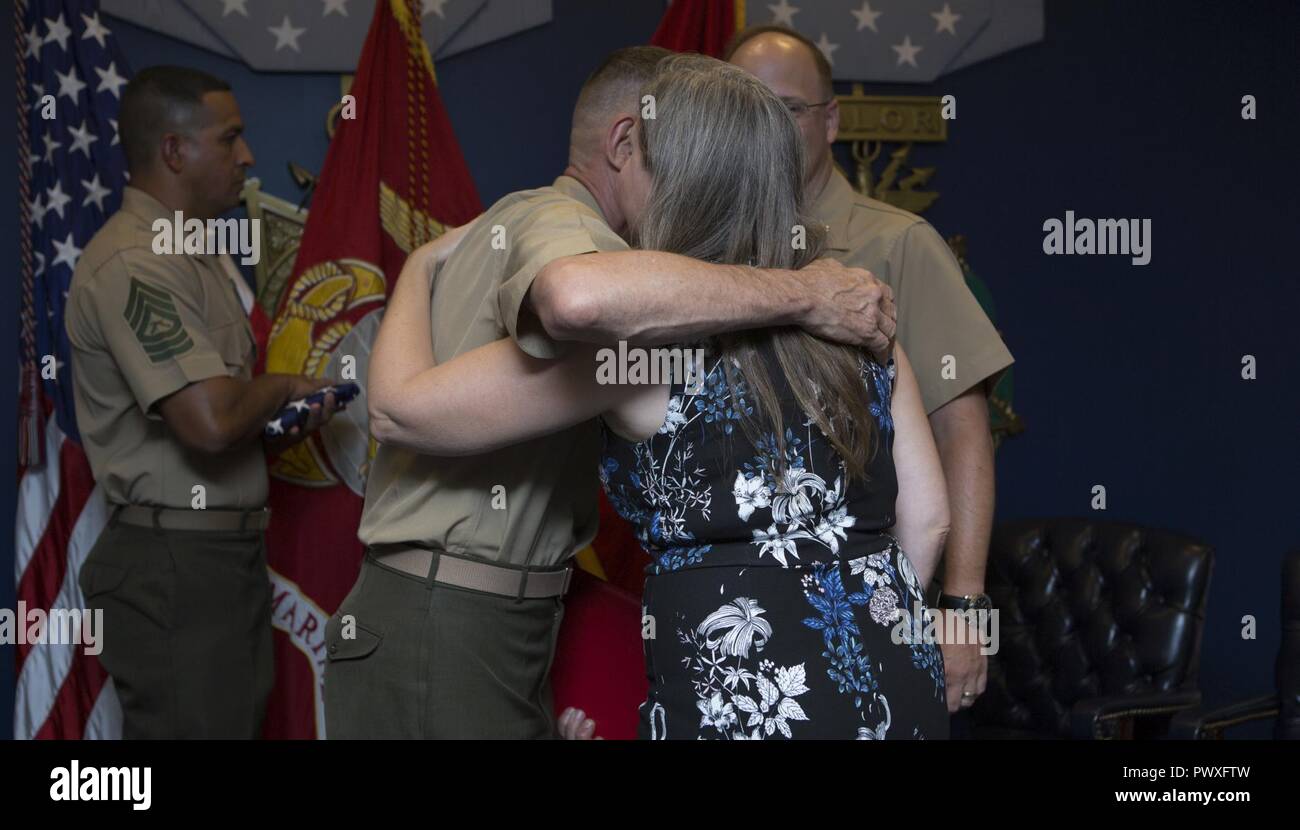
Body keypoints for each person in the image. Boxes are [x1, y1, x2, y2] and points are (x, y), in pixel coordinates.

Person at [358, 54, 953, 740]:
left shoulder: (639, 359)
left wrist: (418, 267)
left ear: (676, 180)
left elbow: (403, 409)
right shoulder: (867, 325)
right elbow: (930, 519)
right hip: (898, 681)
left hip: (744, 703)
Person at [727, 25, 1015, 716]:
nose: (767, 128)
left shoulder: (899, 245)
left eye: (788, 109)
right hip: (743, 606)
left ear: (830, 120)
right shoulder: (710, 254)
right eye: (745, 108)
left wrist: (962, 609)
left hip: (877, 594)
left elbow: (963, 435)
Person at [66, 66, 340, 738]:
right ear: (174, 151)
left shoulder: (196, 255)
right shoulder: (135, 263)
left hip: (215, 562)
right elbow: (212, 424)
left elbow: (230, 428)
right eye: (230, 138)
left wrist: (286, 420)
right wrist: (282, 387)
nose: (247, 157)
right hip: (175, 569)